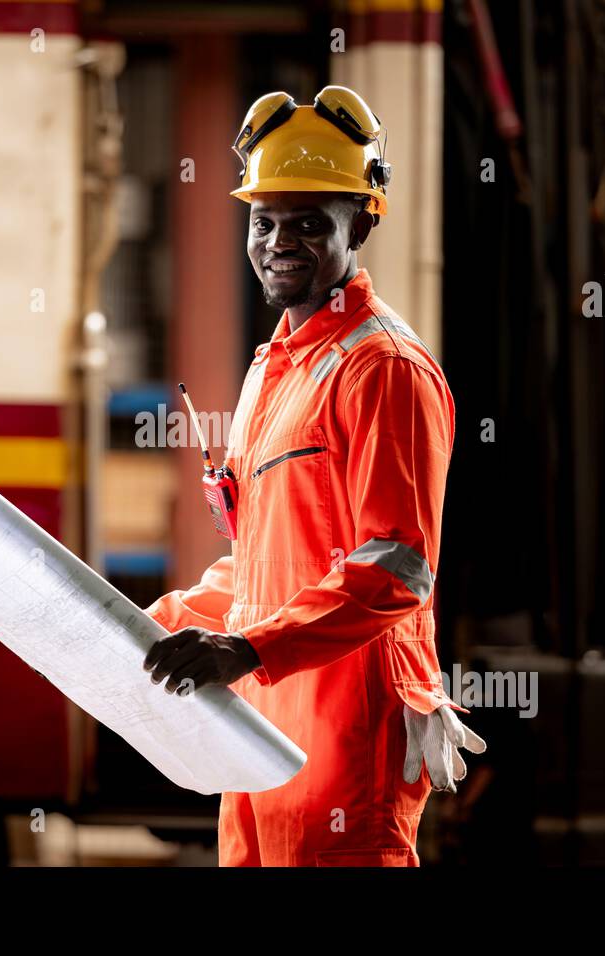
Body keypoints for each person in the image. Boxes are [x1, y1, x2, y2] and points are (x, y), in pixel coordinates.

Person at [142, 86, 484, 867]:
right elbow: (271, 560)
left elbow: (395, 569)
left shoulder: (383, 369)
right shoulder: (273, 368)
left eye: (309, 223)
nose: (278, 242)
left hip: (346, 726)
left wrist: (247, 650)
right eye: (264, 221)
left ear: (361, 223)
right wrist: (151, 623)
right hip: (262, 723)